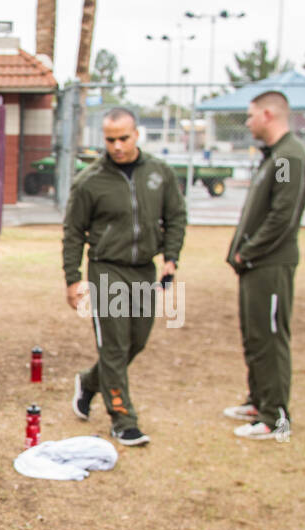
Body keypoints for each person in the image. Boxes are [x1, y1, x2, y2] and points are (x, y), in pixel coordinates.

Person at [62, 107, 185, 447]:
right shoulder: (89, 181)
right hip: (107, 269)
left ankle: (89, 383)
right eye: (110, 139)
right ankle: (123, 419)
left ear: (137, 135)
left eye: (123, 138)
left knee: (136, 343)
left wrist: (171, 257)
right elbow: (73, 232)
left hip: (144, 269)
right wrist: (72, 278)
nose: (116, 146)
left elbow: (176, 216)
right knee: (114, 346)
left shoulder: (160, 173)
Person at [224, 90, 305, 441]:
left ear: (268, 115)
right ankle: (259, 401)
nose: (247, 123)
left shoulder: (289, 157)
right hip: (256, 266)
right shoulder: (274, 157)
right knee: (255, 334)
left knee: (271, 337)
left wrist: (248, 252)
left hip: (270, 264)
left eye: (250, 116)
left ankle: (275, 417)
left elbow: (283, 218)